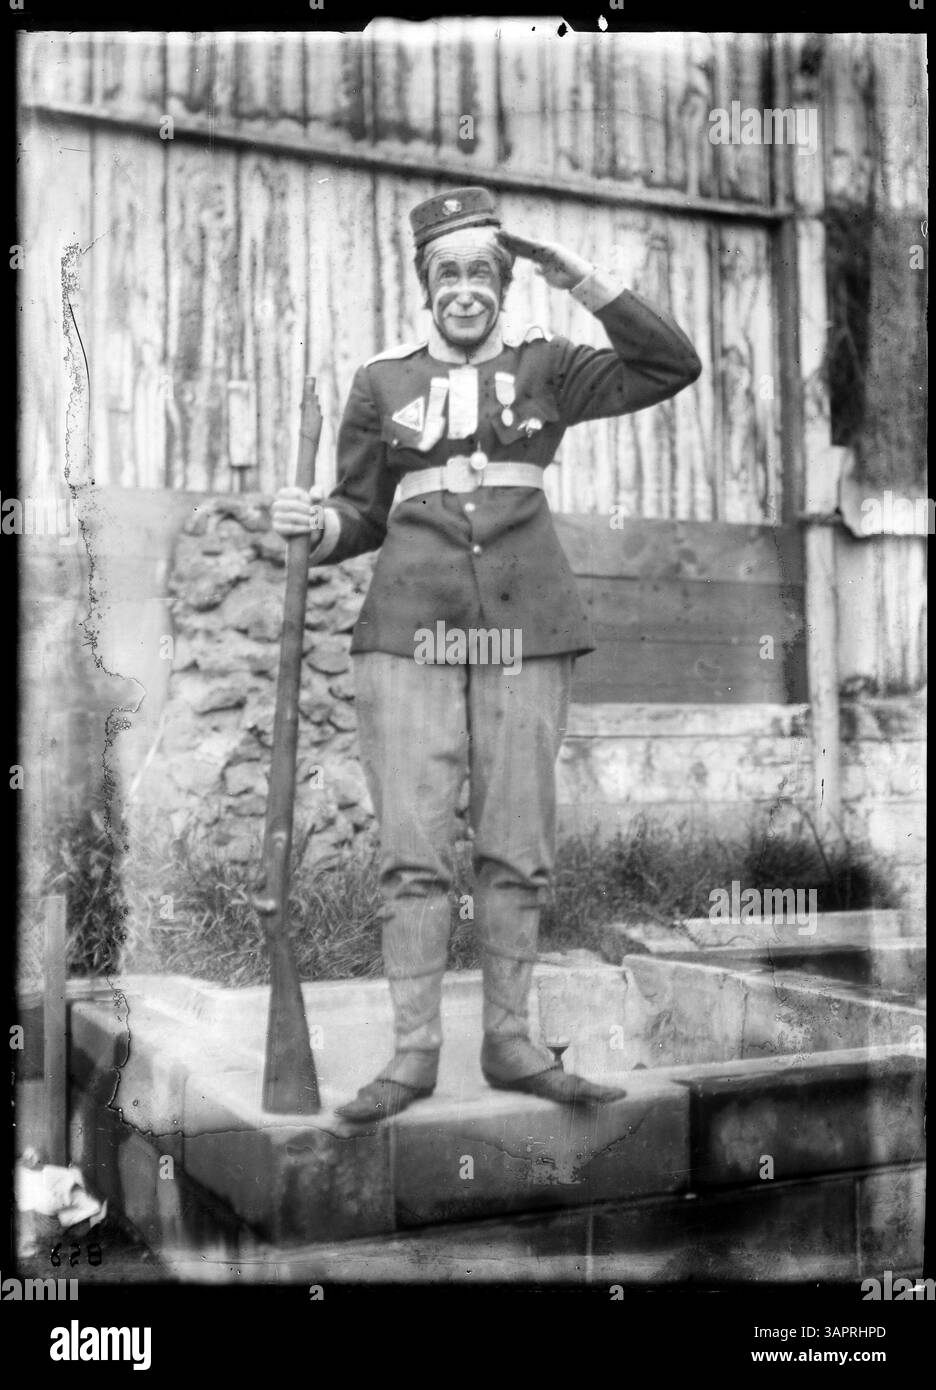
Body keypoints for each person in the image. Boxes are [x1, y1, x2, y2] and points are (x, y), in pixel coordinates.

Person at [272, 186, 702, 1123]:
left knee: (517, 844)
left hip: (525, 631)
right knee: (413, 850)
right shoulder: (380, 382)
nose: (465, 290)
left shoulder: (551, 367)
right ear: (426, 287)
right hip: (411, 634)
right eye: (447, 274)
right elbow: (359, 513)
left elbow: (672, 364)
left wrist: (578, 278)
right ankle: (413, 1055)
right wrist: (314, 522)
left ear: (504, 285)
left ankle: (509, 1044)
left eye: (482, 274)